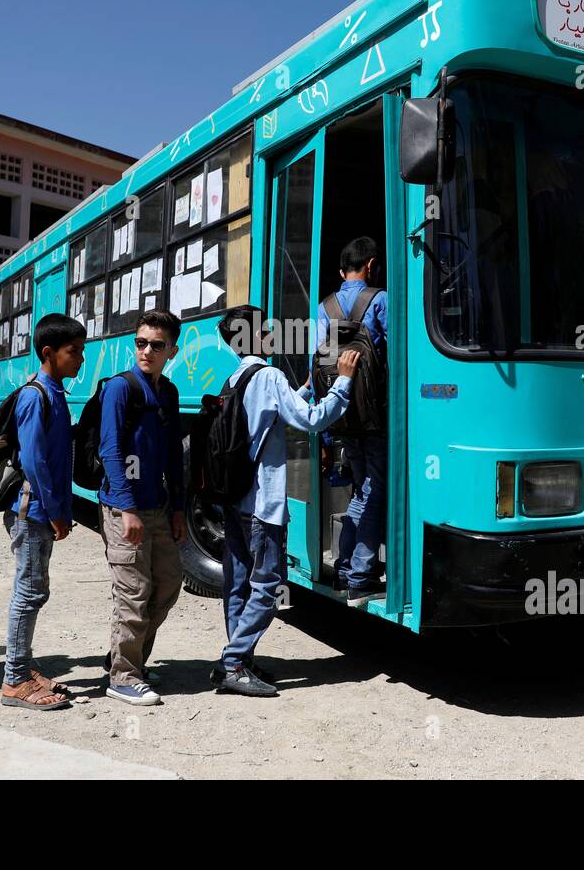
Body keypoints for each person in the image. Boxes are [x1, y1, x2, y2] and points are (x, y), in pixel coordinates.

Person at [212, 305, 358, 696]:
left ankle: (239, 658)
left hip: (236, 501)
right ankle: (233, 663)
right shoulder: (271, 375)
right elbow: (309, 420)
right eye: (267, 329)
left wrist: (305, 388)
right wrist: (343, 382)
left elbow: (272, 414)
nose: (274, 333)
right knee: (268, 584)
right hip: (263, 503)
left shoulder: (237, 377)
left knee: (238, 583)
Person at [98, 309, 185, 706]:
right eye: (140, 342)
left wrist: (180, 508)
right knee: (133, 592)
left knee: (167, 584)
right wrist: (127, 508)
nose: (146, 350)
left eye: (156, 344)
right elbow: (110, 449)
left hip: (159, 508)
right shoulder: (120, 388)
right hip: (124, 508)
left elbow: (172, 457)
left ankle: (126, 657)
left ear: (172, 350)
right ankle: (124, 676)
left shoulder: (168, 392)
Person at [0, 313, 85, 711]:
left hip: (42, 511)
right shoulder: (37, 395)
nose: (81, 358)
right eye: (74, 351)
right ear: (49, 353)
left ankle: (23, 666)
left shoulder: (54, 392)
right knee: (28, 592)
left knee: (35, 590)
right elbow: (34, 460)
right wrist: (53, 510)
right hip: (32, 512)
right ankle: (14, 678)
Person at [316, 236, 389, 606]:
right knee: (373, 491)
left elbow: (319, 367)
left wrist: (326, 434)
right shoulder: (380, 300)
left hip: (341, 413)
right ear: (372, 265)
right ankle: (360, 576)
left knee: (361, 490)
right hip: (375, 415)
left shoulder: (323, 307)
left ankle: (345, 570)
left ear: (341, 270)